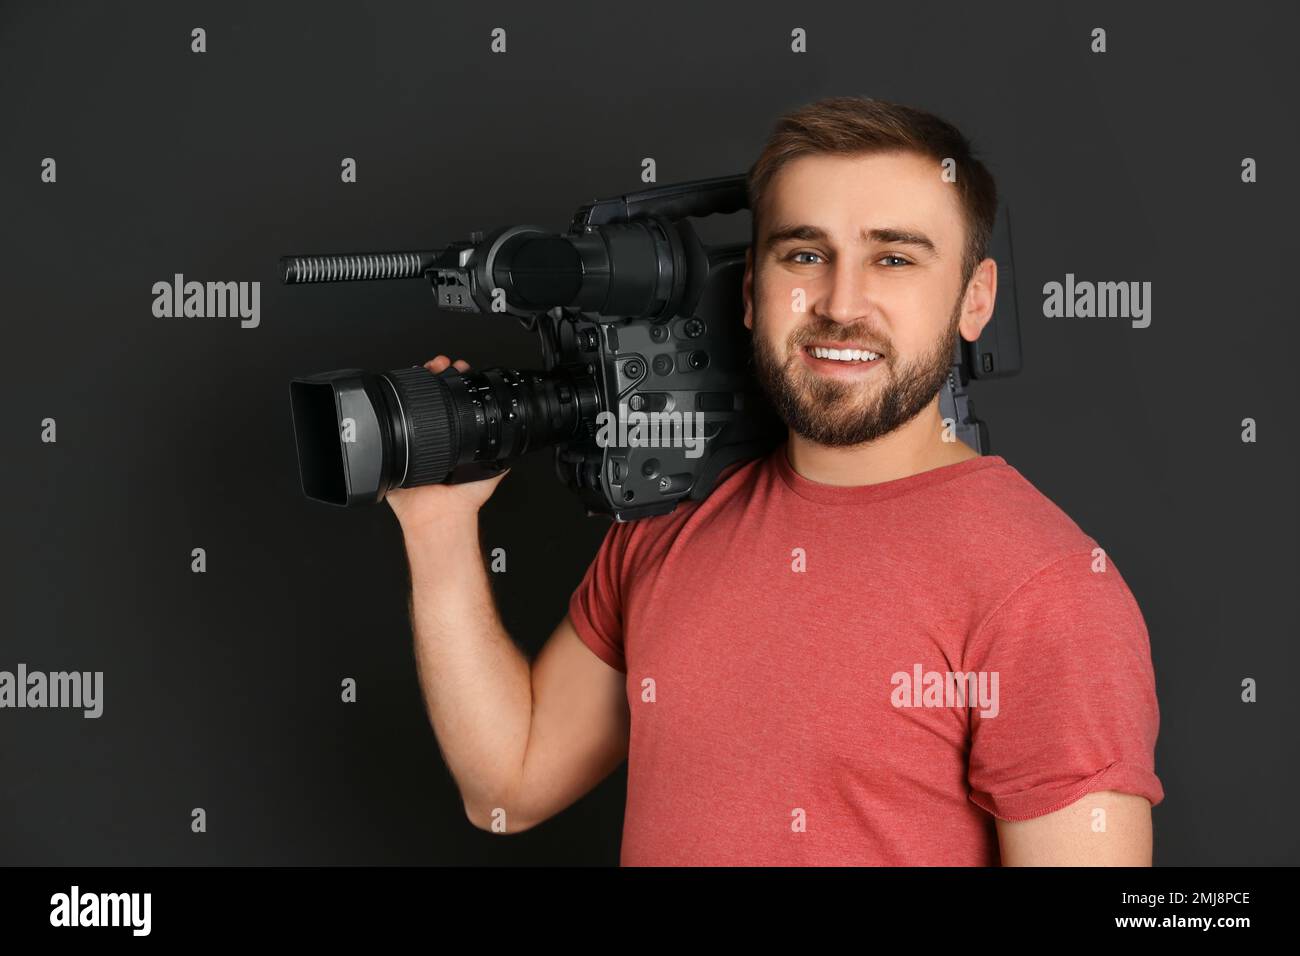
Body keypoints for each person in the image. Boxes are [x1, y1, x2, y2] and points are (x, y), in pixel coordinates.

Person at [386, 95, 1164, 866]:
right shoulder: (669, 519)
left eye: (894, 258)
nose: (841, 303)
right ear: (752, 294)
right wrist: (439, 529)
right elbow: (510, 786)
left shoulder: (1048, 591)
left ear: (976, 299)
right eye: (804, 254)